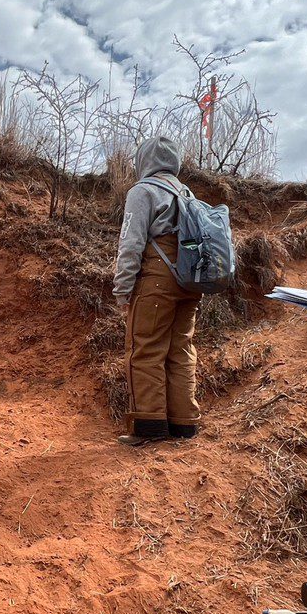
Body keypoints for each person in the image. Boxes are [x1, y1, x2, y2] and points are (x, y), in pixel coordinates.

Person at [113, 134, 201, 446]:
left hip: (157, 280)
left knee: (146, 349)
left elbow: (131, 243)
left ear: (144, 161)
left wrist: (123, 290)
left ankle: (149, 428)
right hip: (191, 281)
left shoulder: (144, 191)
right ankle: (184, 426)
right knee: (180, 350)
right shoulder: (187, 193)